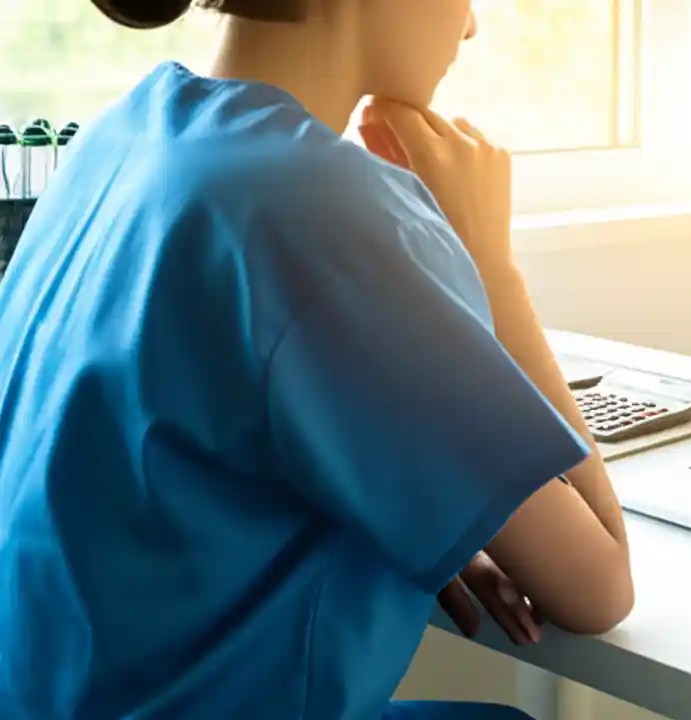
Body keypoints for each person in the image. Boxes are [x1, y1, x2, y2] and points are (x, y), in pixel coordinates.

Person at [0, 0, 634, 718]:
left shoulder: (123, 137)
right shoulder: (323, 213)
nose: (469, 25)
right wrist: (492, 265)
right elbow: (600, 583)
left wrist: (430, 510)